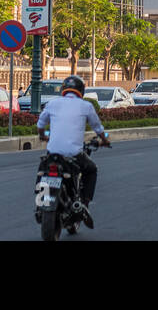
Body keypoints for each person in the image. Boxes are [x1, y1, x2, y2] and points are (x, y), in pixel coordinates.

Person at [36, 75, 109, 225]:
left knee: (42, 171)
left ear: (63, 89)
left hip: (53, 153)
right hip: (73, 155)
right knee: (92, 170)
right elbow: (98, 128)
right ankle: (84, 205)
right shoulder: (86, 106)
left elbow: (40, 125)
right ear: (81, 90)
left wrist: (43, 136)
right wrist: (105, 140)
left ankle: (39, 204)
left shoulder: (52, 103)